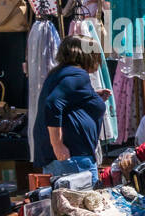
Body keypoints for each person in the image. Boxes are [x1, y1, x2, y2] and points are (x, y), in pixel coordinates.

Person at [34, 36, 108, 175]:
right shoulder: (77, 75)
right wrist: (58, 145)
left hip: (67, 159)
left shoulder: (58, 73)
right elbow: (52, 104)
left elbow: (65, 102)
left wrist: (93, 97)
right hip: (73, 159)